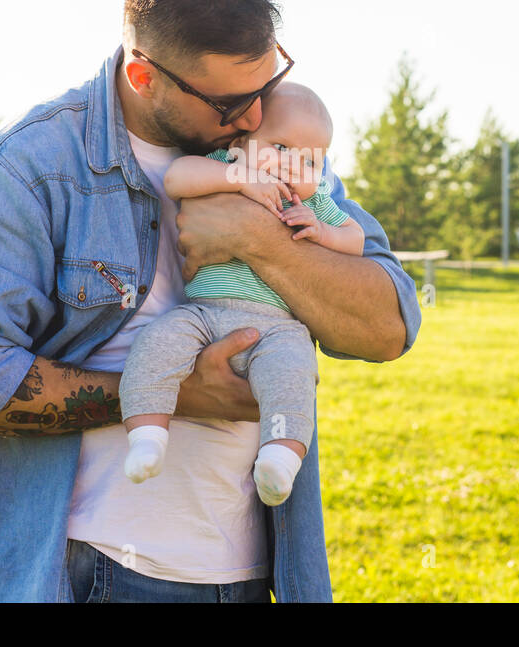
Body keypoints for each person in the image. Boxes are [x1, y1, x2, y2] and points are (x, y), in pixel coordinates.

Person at [0, 0, 421, 602]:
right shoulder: (24, 171)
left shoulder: (278, 148)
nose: (257, 118)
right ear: (145, 78)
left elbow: (388, 327)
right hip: (94, 575)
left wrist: (260, 240)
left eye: (265, 87)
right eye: (231, 103)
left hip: (260, 573)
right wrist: (161, 393)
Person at [121, 81, 364, 508]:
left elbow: (355, 239)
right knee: (157, 344)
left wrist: (322, 231)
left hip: (277, 327)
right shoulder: (226, 165)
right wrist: (240, 179)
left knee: (293, 376)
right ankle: (147, 436)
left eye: (310, 159)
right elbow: (177, 177)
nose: (292, 165)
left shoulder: (313, 200)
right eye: (281, 147)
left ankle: (279, 460)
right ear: (241, 143)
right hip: (204, 313)